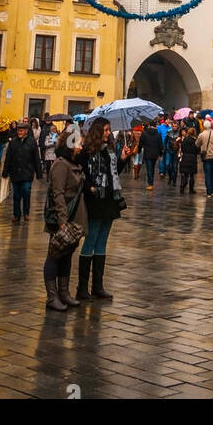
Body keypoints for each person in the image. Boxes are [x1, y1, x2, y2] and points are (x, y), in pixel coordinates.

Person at [76, 119, 130, 300]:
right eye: (106, 130)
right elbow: (80, 175)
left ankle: (98, 286)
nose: (108, 133)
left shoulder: (110, 151)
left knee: (102, 243)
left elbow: (113, 174)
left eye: (109, 130)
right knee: (90, 241)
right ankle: (82, 288)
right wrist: (90, 187)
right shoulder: (87, 151)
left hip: (109, 200)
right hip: (94, 201)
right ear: (98, 131)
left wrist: (122, 158)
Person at [43, 131, 87, 311]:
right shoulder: (61, 165)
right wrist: (62, 221)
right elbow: (58, 193)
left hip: (74, 216)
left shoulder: (73, 163)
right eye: (79, 144)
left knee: (67, 255)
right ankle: (52, 297)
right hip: (62, 217)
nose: (81, 147)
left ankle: (64, 292)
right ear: (70, 145)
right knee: (54, 255)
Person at [2, 118, 42, 222]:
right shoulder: (13, 142)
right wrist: (5, 172)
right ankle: (16, 214)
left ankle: (26, 213)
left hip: (27, 172)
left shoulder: (32, 142)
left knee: (26, 191)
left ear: (26, 131)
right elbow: (8, 158)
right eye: (18, 130)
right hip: (15, 172)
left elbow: (36, 159)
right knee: (16, 195)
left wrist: (39, 173)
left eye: (21, 130)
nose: (19, 132)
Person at [198, 117, 213, 197]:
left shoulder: (201, 135)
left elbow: (197, 144)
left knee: (207, 174)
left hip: (206, 156)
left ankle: (209, 191)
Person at [140, 120, 163, 190]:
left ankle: (150, 184)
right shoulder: (158, 134)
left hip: (147, 153)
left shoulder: (144, 133)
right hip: (155, 154)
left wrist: (139, 150)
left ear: (149, 125)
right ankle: (151, 182)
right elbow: (160, 145)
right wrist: (160, 153)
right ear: (155, 126)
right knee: (152, 168)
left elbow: (141, 142)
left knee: (149, 169)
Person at [178, 127, 199, 194]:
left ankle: (182, 187)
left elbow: (183, 149)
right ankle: (191, 189)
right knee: (192, 175)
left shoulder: (185, 140)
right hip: (193, 158)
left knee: (185, 174)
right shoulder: (195, 141)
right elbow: (197, 150)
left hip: (185, 157)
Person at [164, 123, 179, 187]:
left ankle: (174, 181)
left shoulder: (179, 133)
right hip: (169, 151)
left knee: (175, 167)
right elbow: (165, 141)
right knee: (168, 165)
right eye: (174, 126)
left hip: (176, 152)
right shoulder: (169, 132)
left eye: (176, 126)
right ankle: (170, 177)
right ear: (172, 127)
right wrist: (164, 149)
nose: (175, 127)